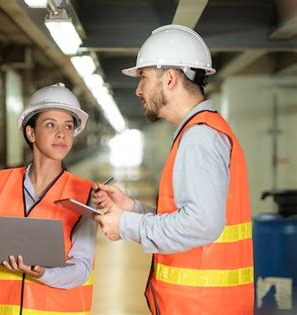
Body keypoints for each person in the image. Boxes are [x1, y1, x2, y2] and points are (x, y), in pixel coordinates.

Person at [92, 25, 254, 314]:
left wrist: (125, 225)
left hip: (200, 306)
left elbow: (201, 224)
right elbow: (190, 217)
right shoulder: (199, 131)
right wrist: (131, 209)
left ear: (169, 79)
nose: (139, 90)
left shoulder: (199, 137)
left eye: (143, 78)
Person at [0, 83, 96, 315]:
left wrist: (42, 273)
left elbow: (82, 269)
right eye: (51, 124)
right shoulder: (0, 184)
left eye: (68, 127)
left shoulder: (85, 195)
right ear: (31, 133)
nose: (62, 134)